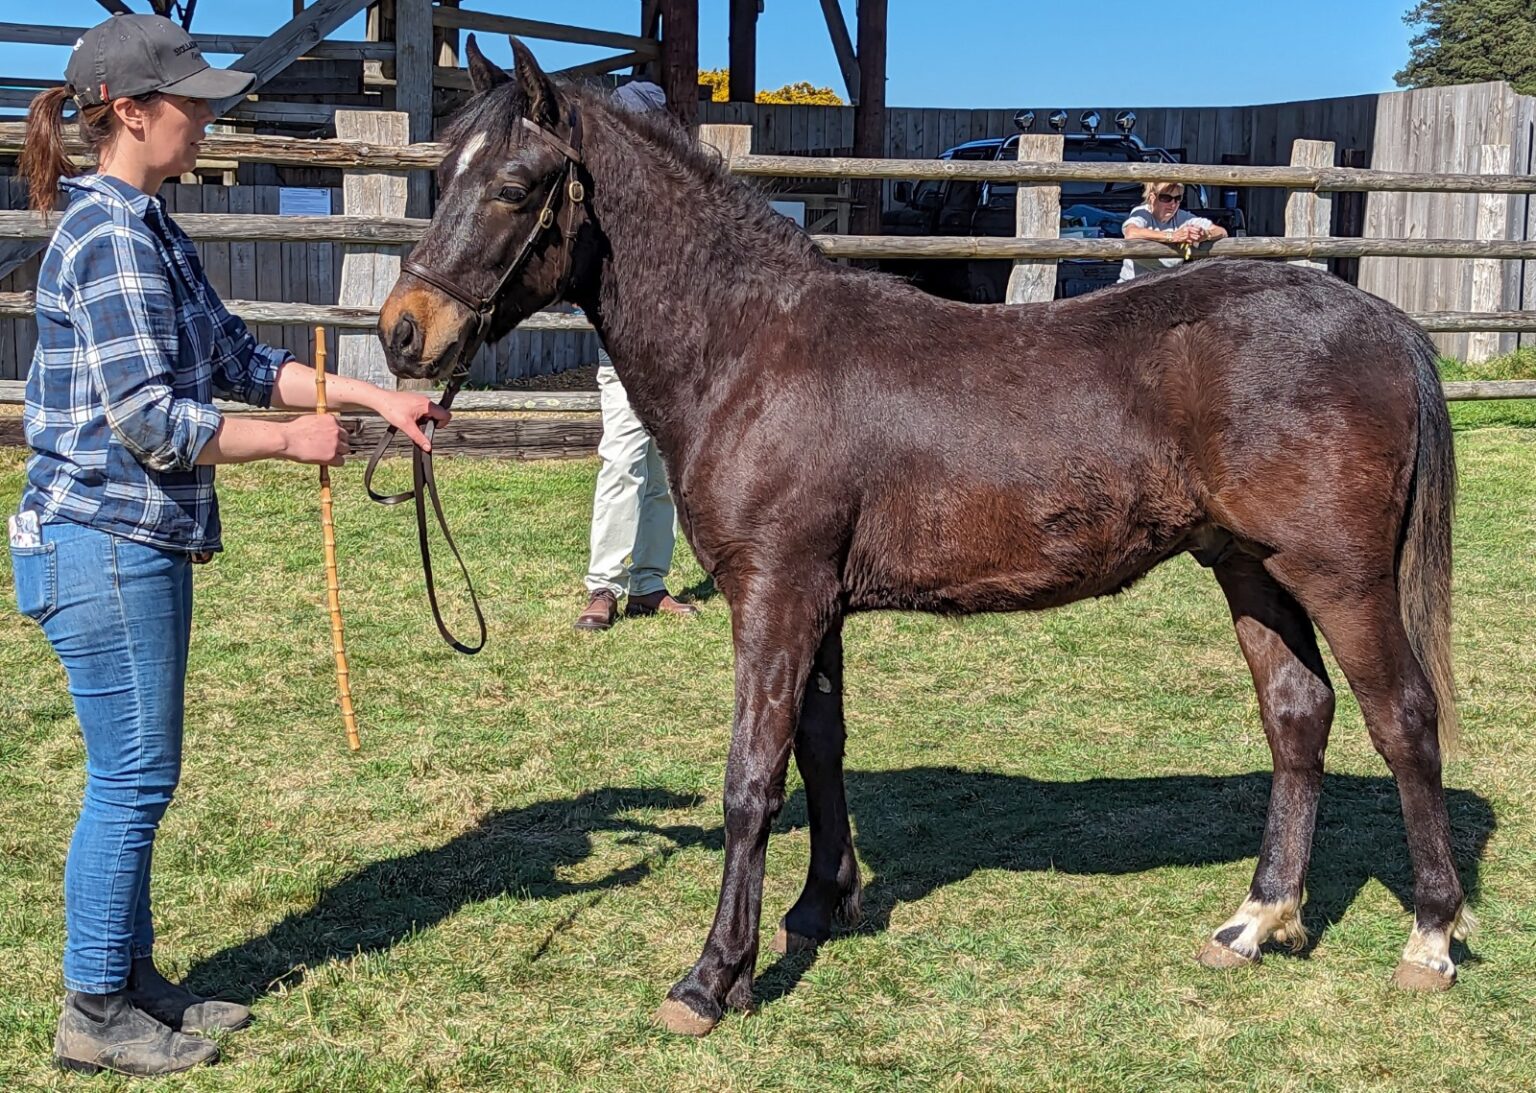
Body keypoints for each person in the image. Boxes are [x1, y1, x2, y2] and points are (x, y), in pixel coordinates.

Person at [12, 14, 448, 1077]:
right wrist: (294, 443)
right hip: (100, 540)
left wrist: (371, 398)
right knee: (131, 778)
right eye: (191, 104)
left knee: (139, 774)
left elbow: (244, 362)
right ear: (131, 111)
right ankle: (93, 1009)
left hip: (132, 539)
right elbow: (152, 419)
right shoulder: (109, 236)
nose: (207, 120)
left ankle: (129, 980)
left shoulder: (148, 225)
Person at [573, 80, 699, 632]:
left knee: (665, 471)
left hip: (678, 353)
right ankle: (604, 584)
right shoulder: (603, 202)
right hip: (627, 353)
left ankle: (649, 582)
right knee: (622, 460)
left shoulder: (681, 198)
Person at [1118, 182, 1229, 281]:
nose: (1173, 204)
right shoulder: (1142, 212)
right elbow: (1131, 232)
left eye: (1177, 198)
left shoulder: (1183, 217)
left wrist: (1205, 234)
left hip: (1168, 286)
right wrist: (1172, 236)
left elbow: (1222, 232)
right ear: (1152, 198)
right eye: (1166, 198)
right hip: (1133, 286)